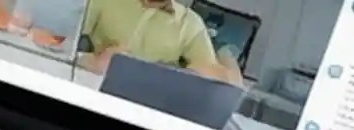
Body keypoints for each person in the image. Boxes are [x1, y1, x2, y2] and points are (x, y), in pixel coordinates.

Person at [78, 0, 242, 85]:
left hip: (150, 109)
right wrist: (89, 61)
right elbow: (58, 43)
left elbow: (211, 73)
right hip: (93, 87)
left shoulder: (191, 24)